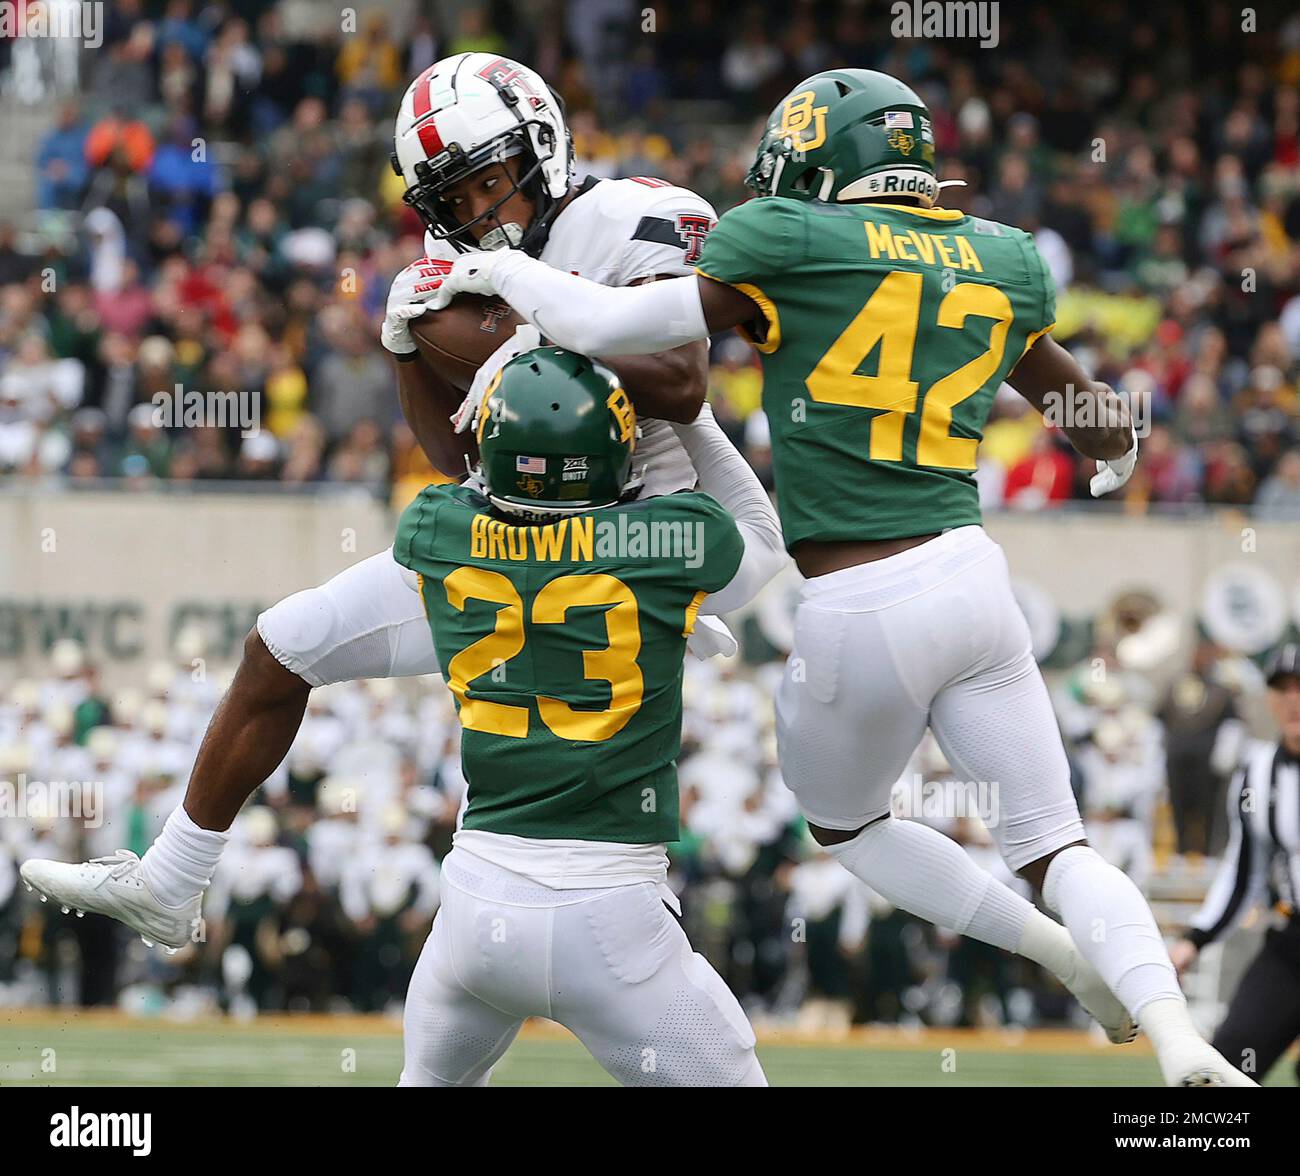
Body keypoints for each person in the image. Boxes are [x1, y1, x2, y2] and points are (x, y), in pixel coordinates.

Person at [428, 68, 1254, 1087]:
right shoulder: (992, 255)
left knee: (851, 827)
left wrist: (496, 279)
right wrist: (1116, 451)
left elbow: (607, 332)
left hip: (856, 601)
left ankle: (1048, 956)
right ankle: (1174, 1036)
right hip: (972, 580)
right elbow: (1100, 430)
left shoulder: (790, 243)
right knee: (1057, 847)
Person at [19, 55, 774, 953]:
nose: (476, 216)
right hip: (516, 536)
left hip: (637, 539)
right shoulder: (456, 260)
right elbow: (458, 461)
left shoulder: (635, 217)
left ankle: (626, 916)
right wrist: (406, 349)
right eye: (451, 202)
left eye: (489, 182)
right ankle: (172, 882)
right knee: (281, 644)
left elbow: (683, 383)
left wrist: (525, 316)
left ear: (542, 145)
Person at [391, 347, 780, 1085]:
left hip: (475, 904)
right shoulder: (669, 539)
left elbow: (476, 476)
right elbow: (762, 536)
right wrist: (684, 409)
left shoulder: (434, 525)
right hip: (608, 915)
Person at [1169, 644, 1300, 1084]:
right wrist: (1194, 939)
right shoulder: (1257, 773)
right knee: (1221, 1069)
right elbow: (1245, 873)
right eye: (1282, 689)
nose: (1292, 700)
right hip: (1292, 946)